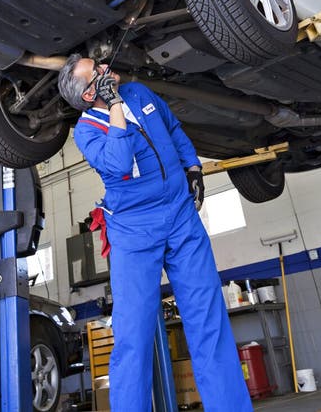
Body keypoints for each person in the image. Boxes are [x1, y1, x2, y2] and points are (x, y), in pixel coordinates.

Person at [58, 54, 253, 412]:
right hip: (134, 232)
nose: (104, 67)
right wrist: (114, 104)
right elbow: (117, 164)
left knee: (209, 323)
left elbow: (172, 126)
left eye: (99, 63)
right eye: (96, 72)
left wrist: (192, 166)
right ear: (89, 95)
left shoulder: (138, 92)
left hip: (181, 218)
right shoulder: (87, 131)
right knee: (134, 338)